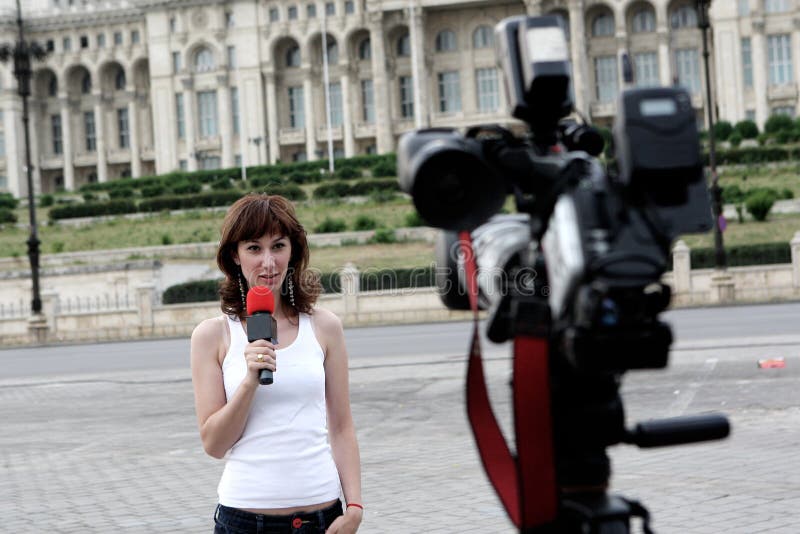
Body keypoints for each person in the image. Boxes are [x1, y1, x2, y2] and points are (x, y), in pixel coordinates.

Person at [190, 193, 363, 533]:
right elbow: (214, 444)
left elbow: (342, 426)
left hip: (322, 518)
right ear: (234, 257)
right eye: (254, 248)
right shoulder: (213, 336)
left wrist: (354, 507)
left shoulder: (324, 327)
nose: (268, 262)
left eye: (278, 246)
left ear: (293, 252)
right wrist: (249, 381)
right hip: (244, 521)